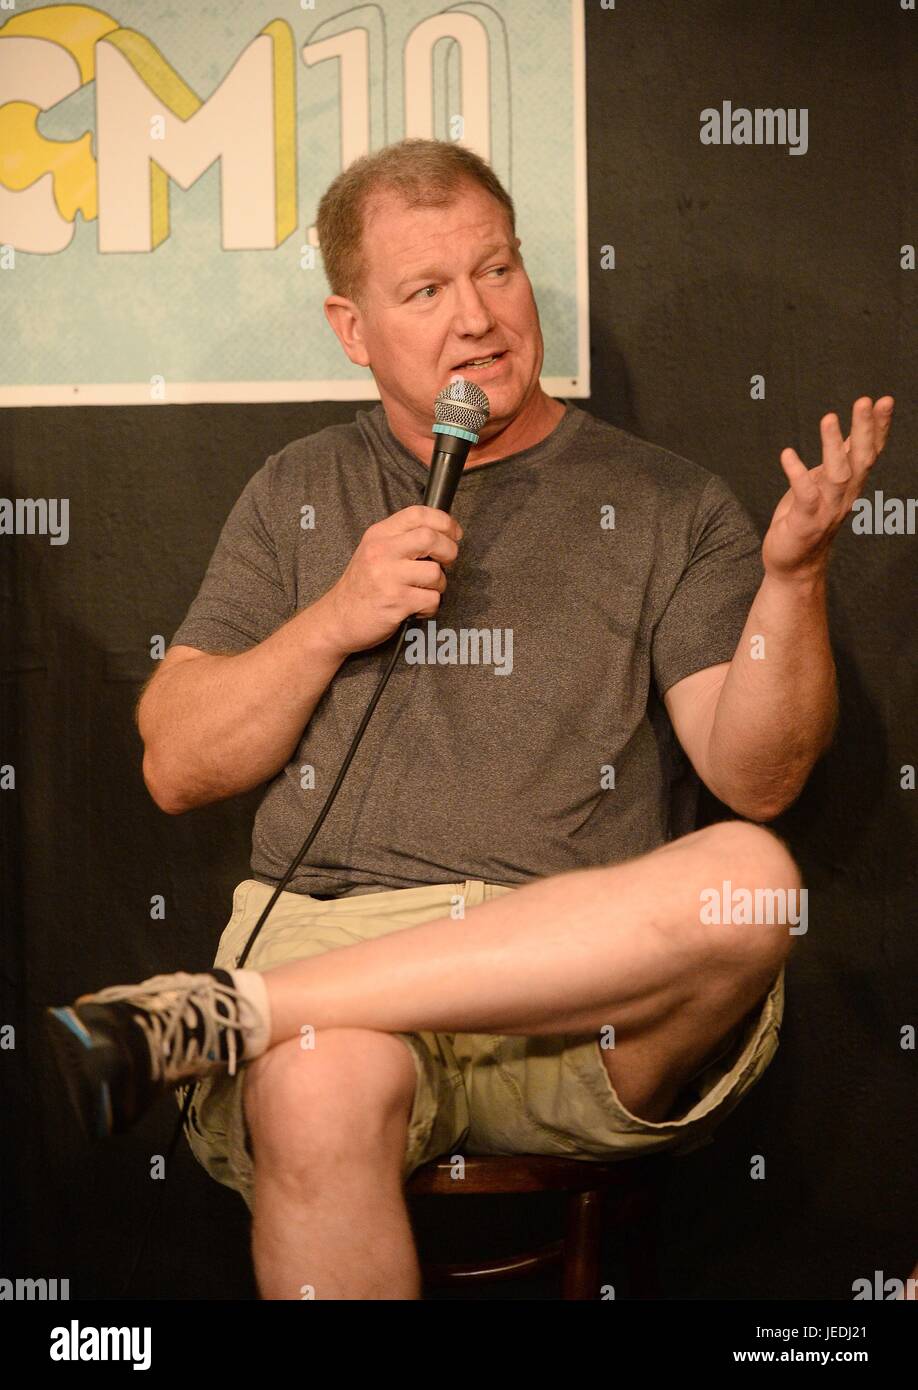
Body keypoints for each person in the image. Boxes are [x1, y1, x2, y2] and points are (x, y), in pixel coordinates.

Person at [46, 138, 894, 1300]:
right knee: (309, 1089)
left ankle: (231, 1014)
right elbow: (177, 765)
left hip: (575, 1000)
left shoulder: (667, 500)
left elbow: (759, 776)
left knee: (746, 875)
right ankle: (275, 1020)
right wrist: (333, 618)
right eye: (427, 290)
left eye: (496, 271)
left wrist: (792, 582)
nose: (479, 319)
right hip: (340, 974)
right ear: (353, 329)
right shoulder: (296, 492)